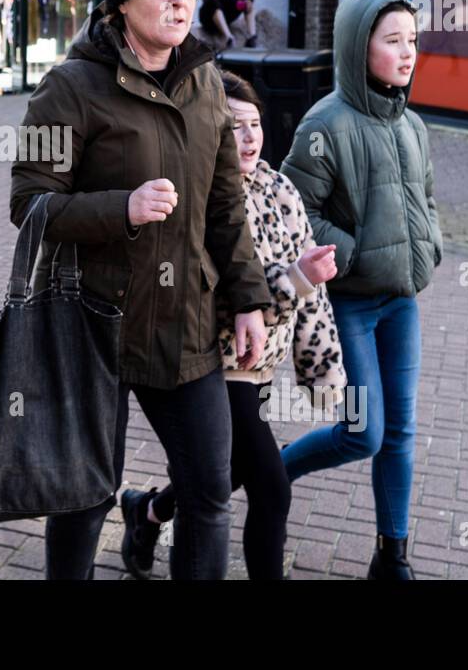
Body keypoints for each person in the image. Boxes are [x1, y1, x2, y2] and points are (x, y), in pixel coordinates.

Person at [10, 0, 273, 581]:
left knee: (210, 492)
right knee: (85, 492)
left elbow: (225, 207)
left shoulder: (208, 82)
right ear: (122, 0)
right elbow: (29, 203)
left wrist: (247, 300)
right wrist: (120, 209)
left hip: (184, 322)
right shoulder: (70, 86)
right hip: (94, 324)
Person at [119, 71, 347, 580]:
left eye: (256, 124)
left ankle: (147, 511)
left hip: (262, 364)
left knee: (223, 475)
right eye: (234, 125)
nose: (249, 137)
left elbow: (313, 297)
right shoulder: (198, 194)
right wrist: (295, 279)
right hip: (216, 362)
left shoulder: (279, 187)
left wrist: (321, 370)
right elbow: (209, 289)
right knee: (270, 485)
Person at [276, 0, 443, 579]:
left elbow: (424, 197)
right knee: (364, 432)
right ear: (357, 46)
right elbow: (293, 208)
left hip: (401, 302)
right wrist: (350, 253)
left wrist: (433, 244)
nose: (407, 54)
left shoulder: (413, 125)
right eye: (392, 41)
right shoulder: (324, 124)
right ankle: (274, 471)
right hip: (348, 302)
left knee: (400, 430)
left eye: (413, 41)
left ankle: (390, 555)